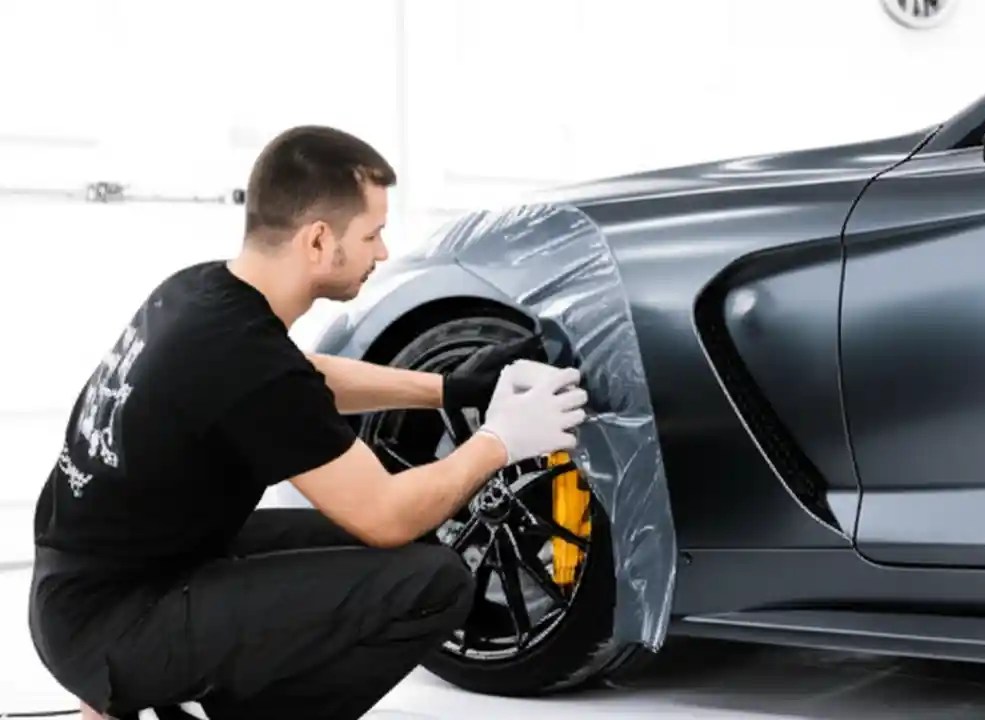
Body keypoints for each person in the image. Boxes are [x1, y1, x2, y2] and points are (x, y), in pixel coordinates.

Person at [27, 125, 588, 720]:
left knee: (398, 548)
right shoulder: (245, 357)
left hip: (97, 587)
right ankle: (174, 694)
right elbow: (386, 515)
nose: (383, 252)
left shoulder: (201, 294)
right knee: (435, 582)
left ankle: (145, 687)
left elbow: (302, 376)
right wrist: (499, 441)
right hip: (116, 619)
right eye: (371, 234)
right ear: (318, 241)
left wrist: (448, 390)